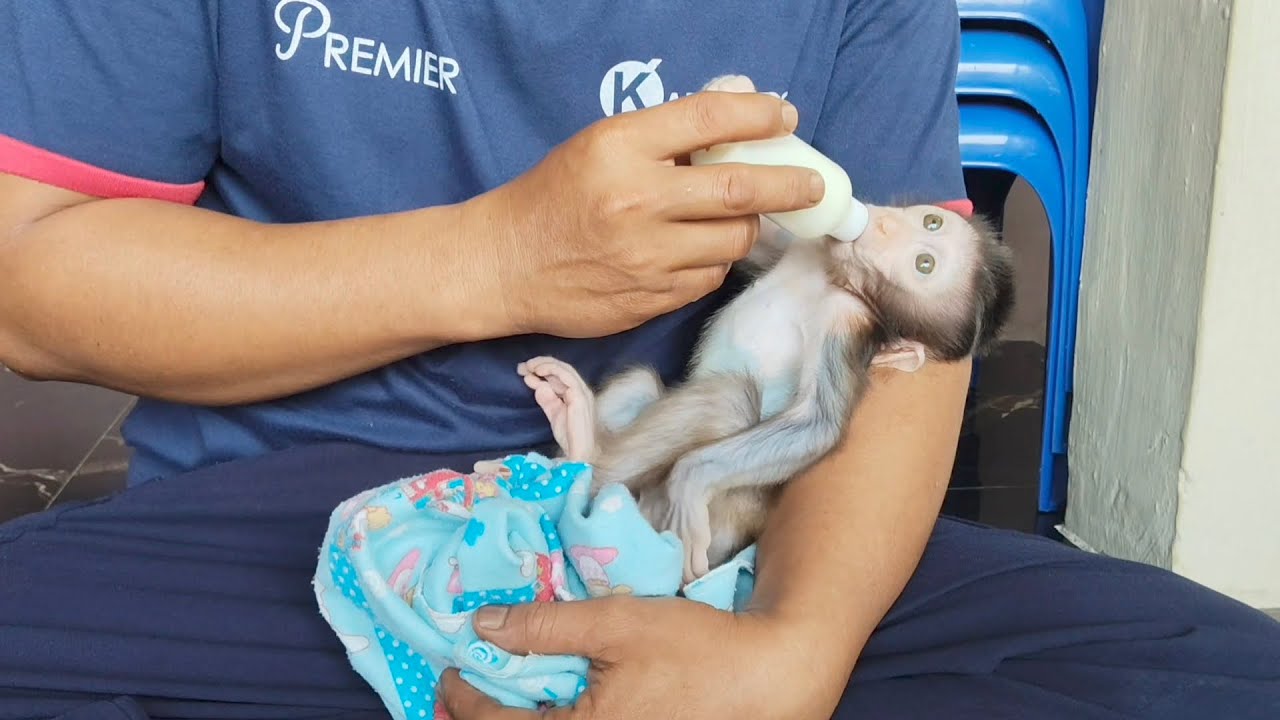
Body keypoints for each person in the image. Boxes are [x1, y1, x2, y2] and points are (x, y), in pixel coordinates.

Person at [0, 1, 1276, 718]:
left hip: (704, 544)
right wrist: (490, 263)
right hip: (290, 530)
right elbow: (29, 287)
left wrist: (793, 648)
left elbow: (895, 329)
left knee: (1211, 678)